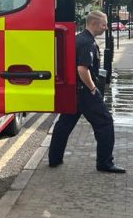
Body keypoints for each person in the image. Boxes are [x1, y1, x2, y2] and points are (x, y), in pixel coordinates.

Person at [48, 10, 125, 173]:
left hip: (74, 91)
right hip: (85, 92)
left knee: (64, 124)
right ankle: (105, 163)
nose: (105, 27)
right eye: (104, 24)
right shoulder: (87, 43)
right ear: (94, 24)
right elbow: (82, 69)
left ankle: (54, 158)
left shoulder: (78, 39)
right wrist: (92, 89)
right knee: (105, 123)